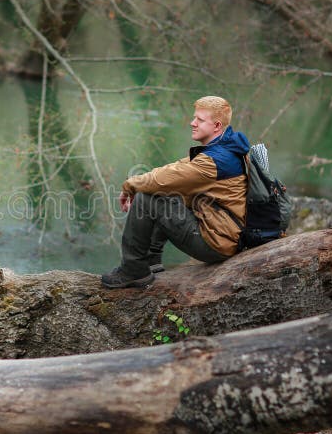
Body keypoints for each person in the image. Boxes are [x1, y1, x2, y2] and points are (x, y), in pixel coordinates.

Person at [101, 95, 250, 289]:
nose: (192, 123)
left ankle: (133, 270)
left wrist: (130, 185)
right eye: (194, 118)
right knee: (164, 191)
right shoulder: (227, 147)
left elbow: (164, 179)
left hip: (216, 242)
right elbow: (174, 171)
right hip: (229, 233)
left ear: (217, 125)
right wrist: (143, 183)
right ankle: (151, 262)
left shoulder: (215, 161)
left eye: (200, 120)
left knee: (147, 199)